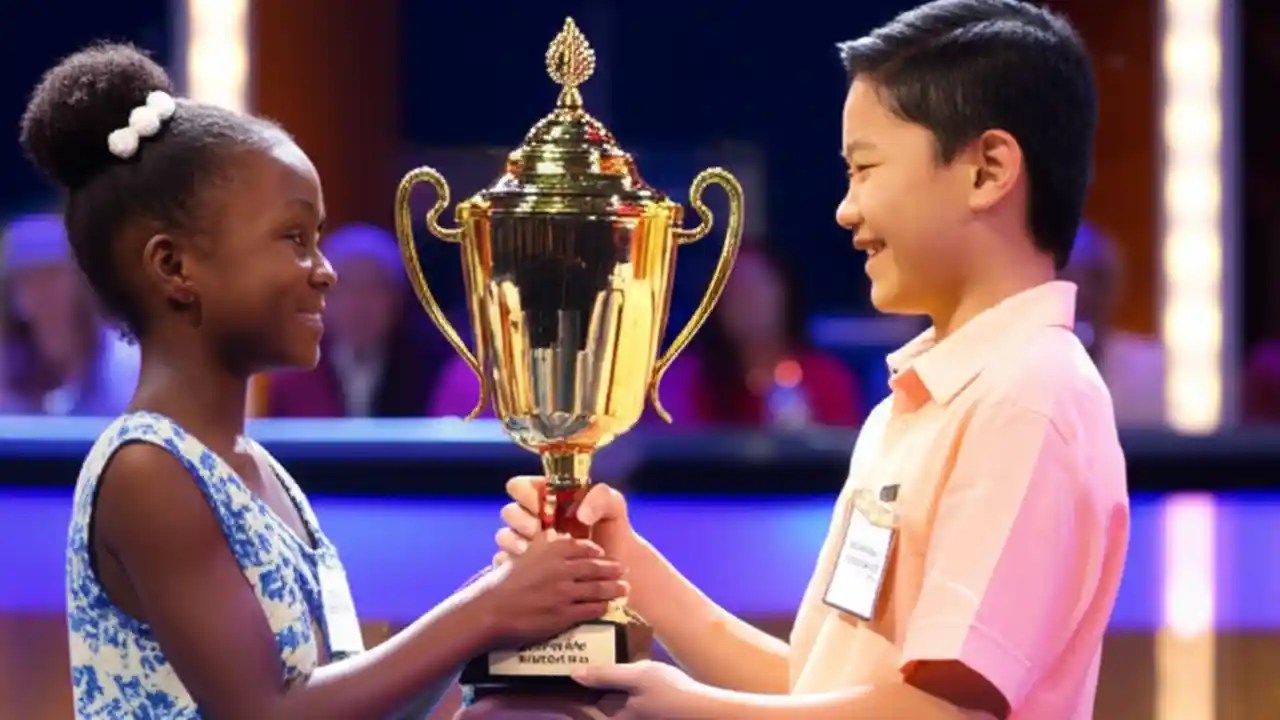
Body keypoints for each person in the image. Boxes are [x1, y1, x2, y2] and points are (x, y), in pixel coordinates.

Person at [487, 1, 1129, 718]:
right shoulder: (915, 405)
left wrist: (687, 711)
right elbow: (816, 688)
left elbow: (944, 713)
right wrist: (628, 567)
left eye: (865, 168)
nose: (844, 210)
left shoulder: (1027, 396)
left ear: (988, 170)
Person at [22, 43, 626, 719]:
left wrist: (499, 606)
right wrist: (484, 612)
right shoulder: (148, 473)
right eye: (293, 238)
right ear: (174, 267)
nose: (325, 270)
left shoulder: (258, 471)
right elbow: (268, 713)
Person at [655, 243, 863, 429]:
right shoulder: (686, 381)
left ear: (786, 295)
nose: (749, 303)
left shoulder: (827, 379)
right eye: (737, 292)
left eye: (759, 289)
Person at [267, 222, 447, 418]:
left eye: (374, 286)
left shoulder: (432, 370)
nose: (358, 303)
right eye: (344, 286)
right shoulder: (290, 371)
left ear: (398, 298)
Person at [1, 213, 139, 416]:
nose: (43, 291)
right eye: (29, 280)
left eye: (53, 275)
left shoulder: (125, 363)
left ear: (80, 283)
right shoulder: (6, 365)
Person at [1058, 223, 1165, 427]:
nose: (1083, 293)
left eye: (1095, 278)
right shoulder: (1013, 373)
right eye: (1067, 277)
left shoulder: (1152, 368)